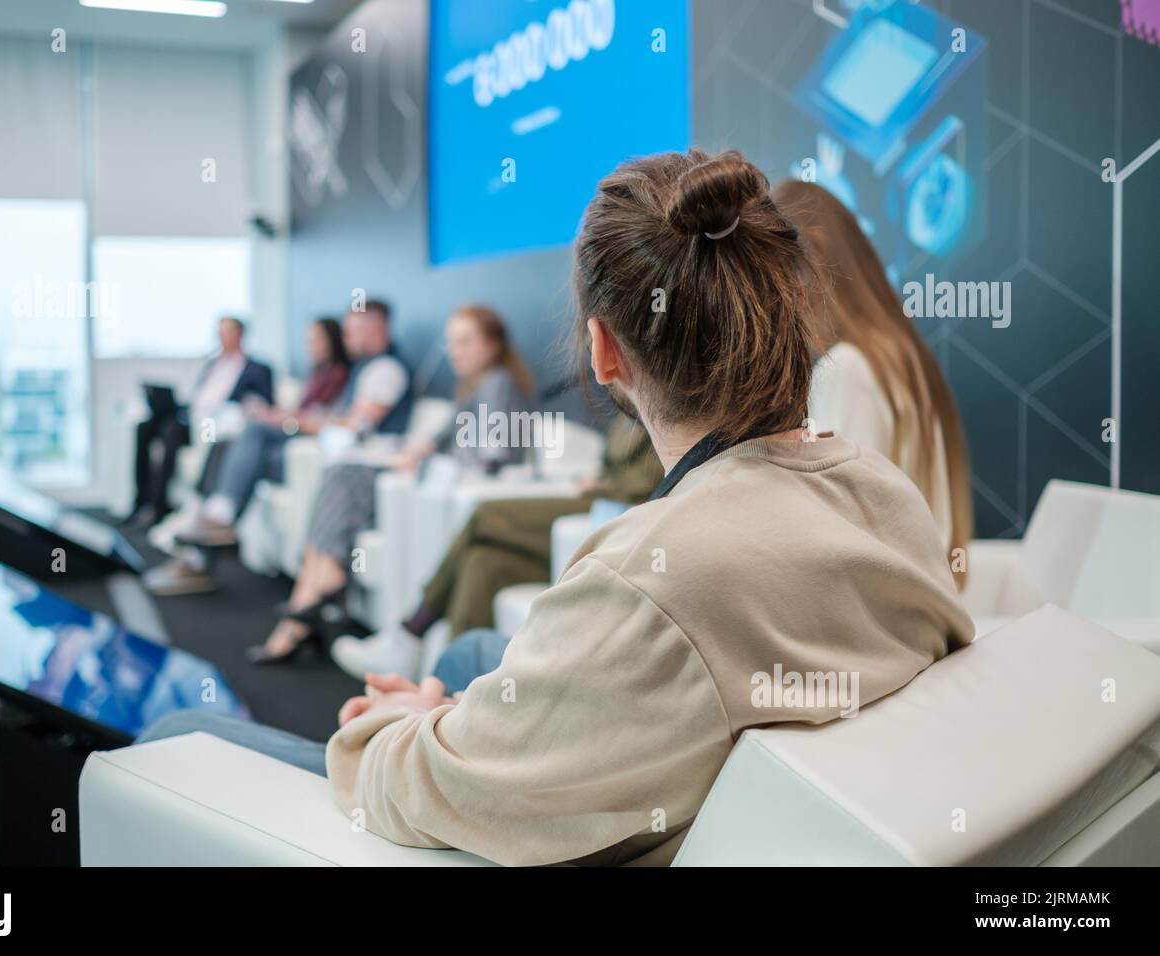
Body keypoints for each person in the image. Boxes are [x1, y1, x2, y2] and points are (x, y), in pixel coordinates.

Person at [140, 147, 974, 866]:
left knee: (176, 733)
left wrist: (387, 728)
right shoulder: (884, 494)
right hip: (726, 790)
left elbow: (421, 787)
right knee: (471, 654)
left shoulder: (651, 583)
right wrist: (456, 717)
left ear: (605, 350)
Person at [248, 303, 536, 664]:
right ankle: (313, 592)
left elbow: (491, 458)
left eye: (465, 341)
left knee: (343, 474)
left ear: (493, 344)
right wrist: (417, 449)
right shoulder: (476, 387)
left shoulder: (498, 385)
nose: (455, 351)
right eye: (451, 342)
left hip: (439, 488)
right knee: (341, 471)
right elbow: (444, 438)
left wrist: (422, 459)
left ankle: (308, 600)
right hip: (426, 480)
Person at [331, 415, 662, 679]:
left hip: (613, 514)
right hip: (596, 504)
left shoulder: (664, 398)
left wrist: (601, 483)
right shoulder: (629, 398)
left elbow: (645, 483)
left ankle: (411, 632)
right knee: (483, 561)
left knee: (487, 515)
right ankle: (450, 697)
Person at [773, 180, 972, 578]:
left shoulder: (848, 368)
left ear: (816, 256)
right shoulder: (899, 355)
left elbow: (835, 534)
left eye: (773, 278)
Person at [142, 317, 350, 596]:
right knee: (226, 444)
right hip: (283, 440)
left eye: (316, 339)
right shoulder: (317, 375)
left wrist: (282, 418)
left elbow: (329, 423)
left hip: (301, 451)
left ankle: (209, 532)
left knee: (250, 435)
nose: (309, 346)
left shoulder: (341, 376)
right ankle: (206, 521)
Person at [125, 316, 273, 528]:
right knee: (145, 426)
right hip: (193, 418)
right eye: (219, 333)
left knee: (171, 432)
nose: (221, 338)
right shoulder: (212, 364)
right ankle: (141, 502)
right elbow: (199, 398)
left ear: (240, 334)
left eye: (226, 332)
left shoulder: (257, 369)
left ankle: (159, 507)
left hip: (214, 425)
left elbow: (263, 404)